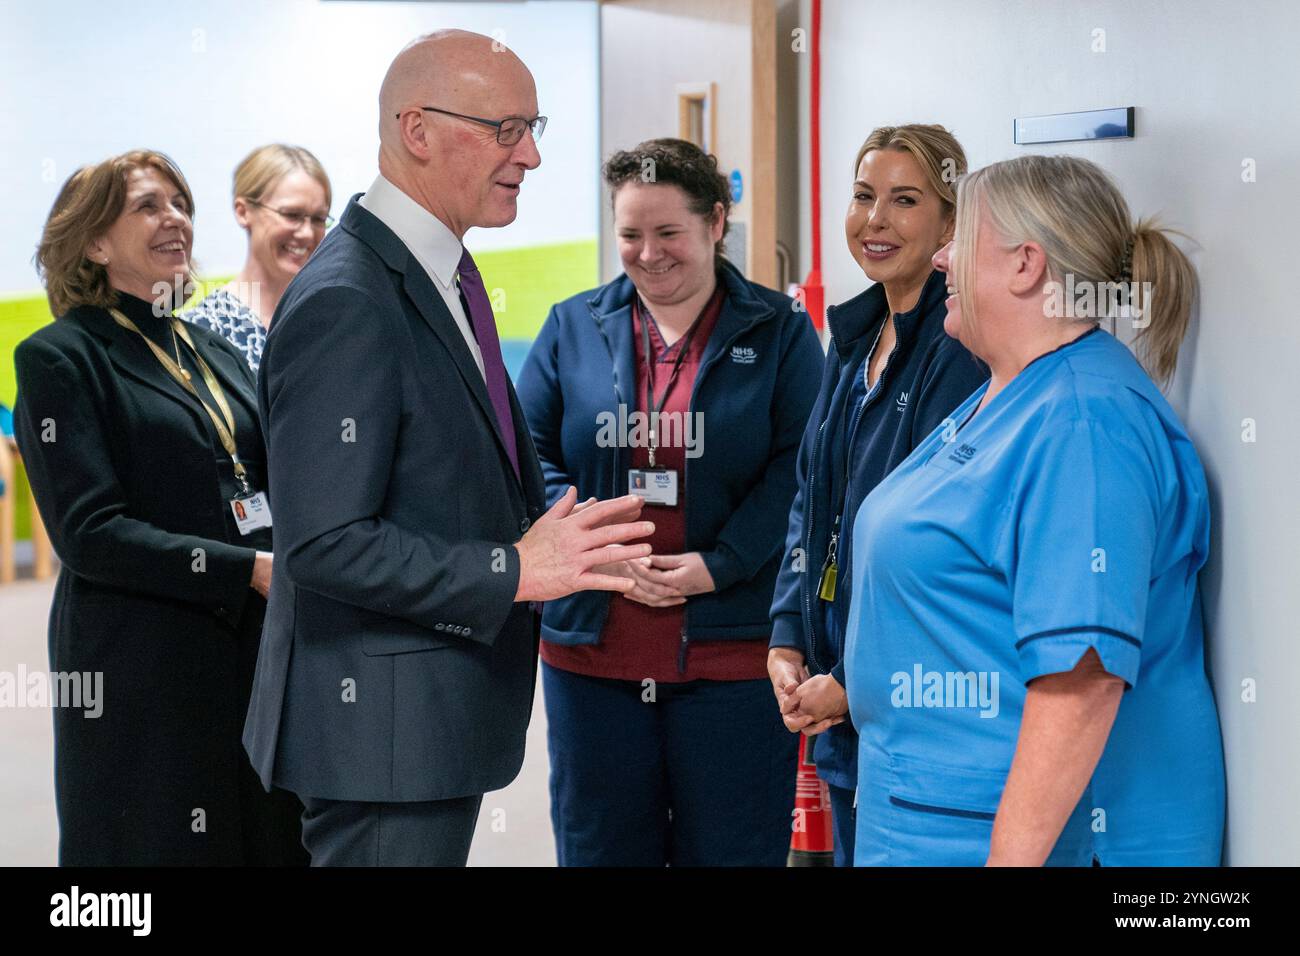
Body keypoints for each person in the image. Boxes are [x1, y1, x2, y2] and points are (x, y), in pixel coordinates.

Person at [241, 30, 654, 867]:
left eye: (534, 126)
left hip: (420, 725)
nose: (532, 154)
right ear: (417, 130)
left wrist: (567, 542)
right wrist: (515, 569)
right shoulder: (349, 298)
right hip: (381, 737)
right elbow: (321, 542)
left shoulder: (438, 272)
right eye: (505, 129)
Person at [844, 154, 1225, 865]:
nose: (941, 257)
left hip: (1040, 840)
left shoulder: (1084, 424)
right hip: (936, 814)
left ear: (1026, 265)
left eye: (962, 239)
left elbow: (1082, 682)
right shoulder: (1010, 391)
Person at [517, 138, 824, 866]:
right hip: (594, 652)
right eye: (630, 234)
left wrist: (721, 564)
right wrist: (594, 542)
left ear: (716, 222)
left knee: (732, 850)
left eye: (668, 233)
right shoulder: (573, 326)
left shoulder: (778, 331)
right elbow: (528, 452)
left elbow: (802, 469)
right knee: (600, 849)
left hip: (733, 654)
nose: (648, 253)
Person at [13, 149, 306, 865]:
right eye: (148, 205)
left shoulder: (211, 349)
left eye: (180, 203)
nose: (175, 216)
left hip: (253, 646)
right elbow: (90, 534)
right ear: (93, 242)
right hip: (144, 662)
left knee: (264, 838)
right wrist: (247, 570)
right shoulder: (61, 358)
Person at [766, 125, 987, 865]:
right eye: (864, 196)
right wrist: (787, 634)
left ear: (951, 222)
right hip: (840, 695)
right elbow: (810, 498)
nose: (875, 220)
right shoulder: (857, 336)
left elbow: (930, 547)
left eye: (905, 200)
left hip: (906, 704)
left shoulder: (959, 348)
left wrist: (853, 683)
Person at [184, 144, 333, 373]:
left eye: (318, 219)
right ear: (244, 212)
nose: (307, 233)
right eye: (291, 215)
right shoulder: (203, 330)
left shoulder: (334, 320)